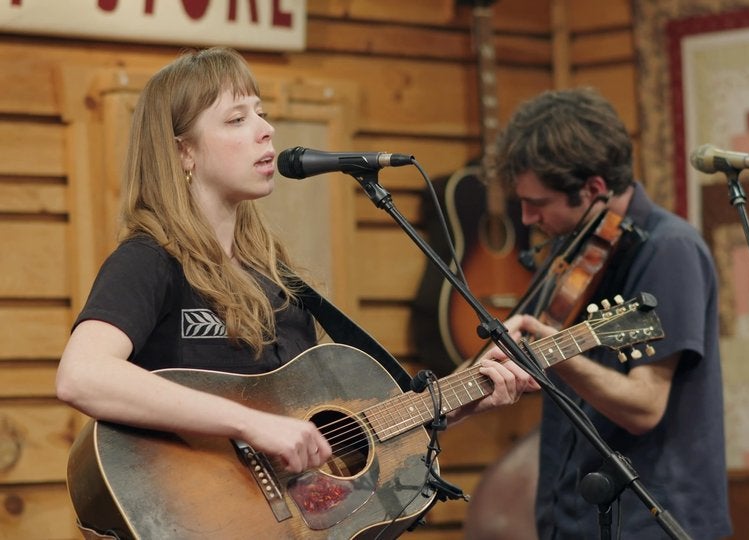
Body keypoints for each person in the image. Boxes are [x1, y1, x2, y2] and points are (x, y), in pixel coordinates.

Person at [55, 46, 533, 505]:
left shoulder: (275, 280)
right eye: (237, 119)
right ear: (184, 152)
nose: (265, 130)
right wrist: (248, 423)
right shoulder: (150, 259)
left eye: (260, 113)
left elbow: (331, 442)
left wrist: (459, 399)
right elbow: (83, 376)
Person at [481, 88, 732, 539]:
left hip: (650, 522)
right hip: (577, 519)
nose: (526, 218)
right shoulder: (576, 250)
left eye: (537, 203)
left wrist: (550, 354)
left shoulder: (668, 250)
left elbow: (645, 406)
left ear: (594, 188)